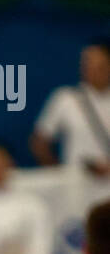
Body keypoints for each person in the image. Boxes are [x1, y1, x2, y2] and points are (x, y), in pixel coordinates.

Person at [31, 39, 110, 192]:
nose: (91, 69)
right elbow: (39, 142)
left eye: (99, 65)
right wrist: (60, 175)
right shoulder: (66, 98)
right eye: (87, 64)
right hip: (77, 186)